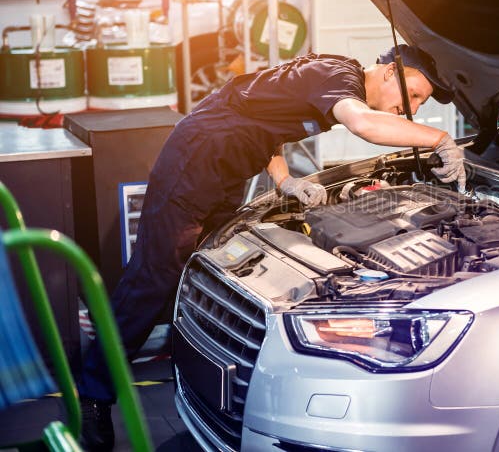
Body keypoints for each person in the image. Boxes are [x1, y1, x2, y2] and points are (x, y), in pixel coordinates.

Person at [77, 44, 466, 450]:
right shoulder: (338, 78)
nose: (413, 111)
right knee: (154, 278)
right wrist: (440, 139)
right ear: (390, 73)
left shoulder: (329, 80)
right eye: (416, 95)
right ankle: (93, 393)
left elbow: (268, 127)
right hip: (193, 163)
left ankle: (206, 384)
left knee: (206, 271)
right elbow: (364, 124)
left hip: (223, 170)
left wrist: (286, 183)